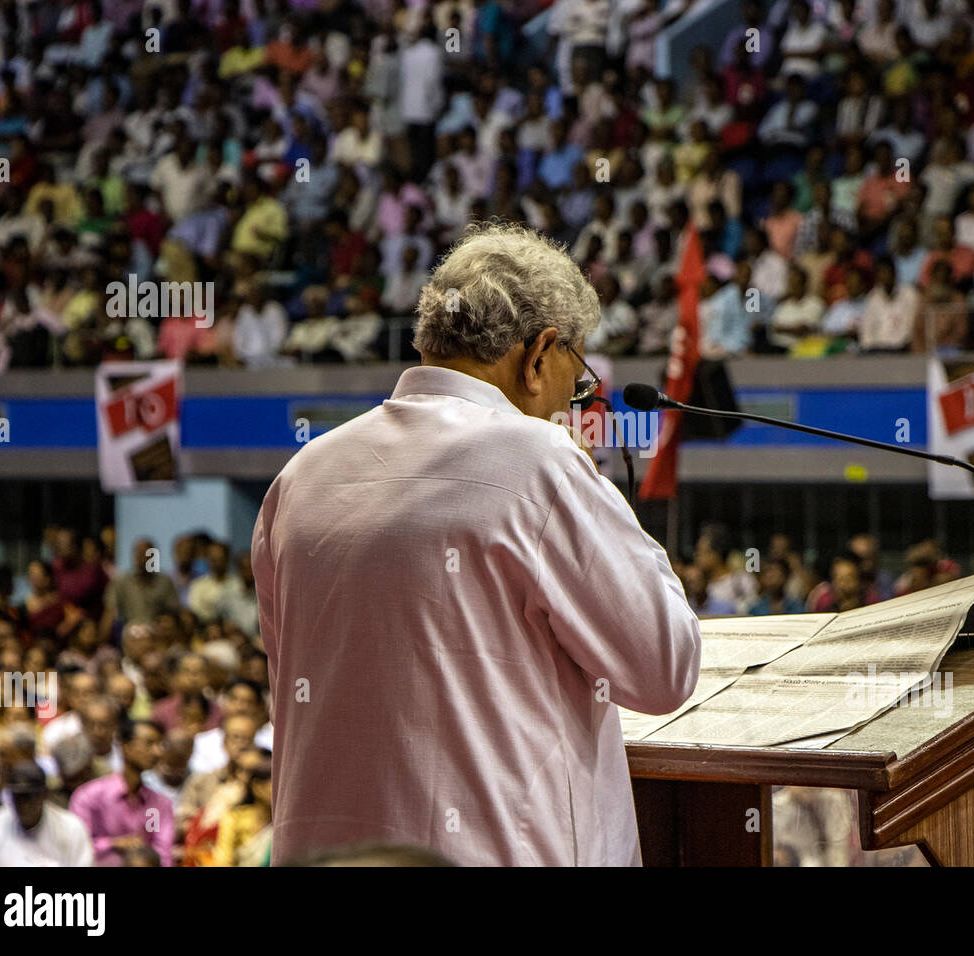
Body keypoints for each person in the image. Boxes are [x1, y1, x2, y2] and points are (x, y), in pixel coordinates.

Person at [253, 222, 701, 866]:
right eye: (577, 383)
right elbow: (666, 667)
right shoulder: (540, 460)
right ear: (540, 353)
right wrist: (595, 489)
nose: (571, 405)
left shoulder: (301, 475)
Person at [69, 718, 175, 867]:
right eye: (149, 743)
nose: (158, 752)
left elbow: (163, 854)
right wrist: (113, 844)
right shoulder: (89, 796)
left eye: (160, 745)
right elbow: (76, 847)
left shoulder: (158, 804)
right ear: (126, 747)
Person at [0, 761, 94, 866]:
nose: (23, 804)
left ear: (44, 794)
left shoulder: (71, 828)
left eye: (29, 796)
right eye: (18, 797)